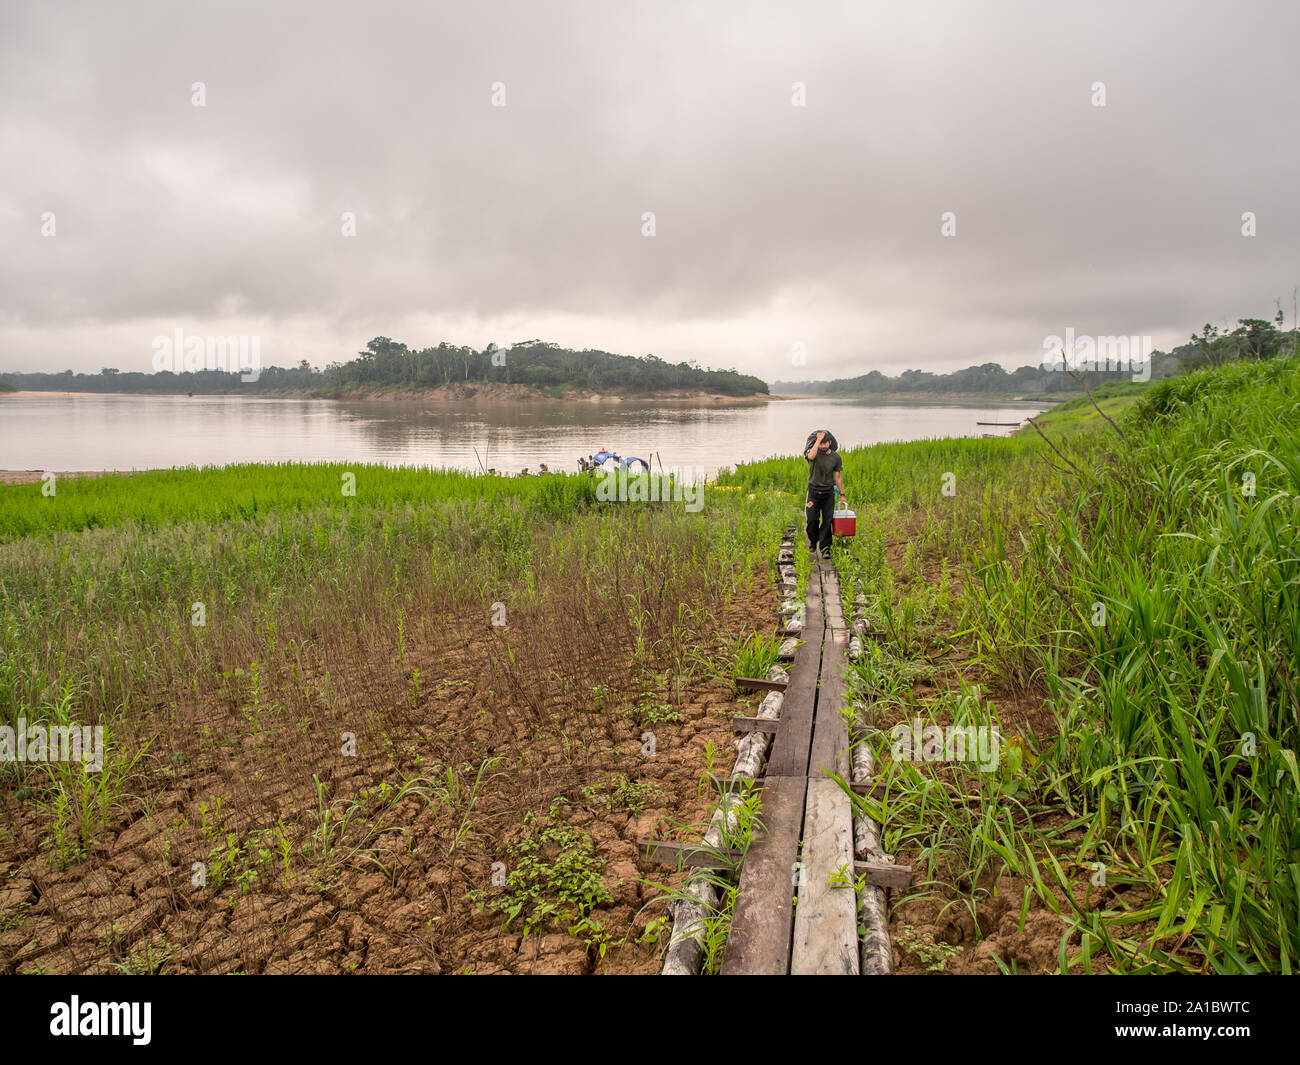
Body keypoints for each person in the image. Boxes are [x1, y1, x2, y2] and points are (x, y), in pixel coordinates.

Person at [804, 429, 846, 559]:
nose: (822, 446)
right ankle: (813, 541)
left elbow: (838, 477)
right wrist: (817, 439)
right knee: (812, 520)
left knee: (827, 521)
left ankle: (825, 548)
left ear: (829, 442)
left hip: (828, 494)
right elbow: (810, 456)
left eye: (824, 443)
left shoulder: (836, 457)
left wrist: (842, 494)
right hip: (813, 493)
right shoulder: (813, 453)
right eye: (820, 443)